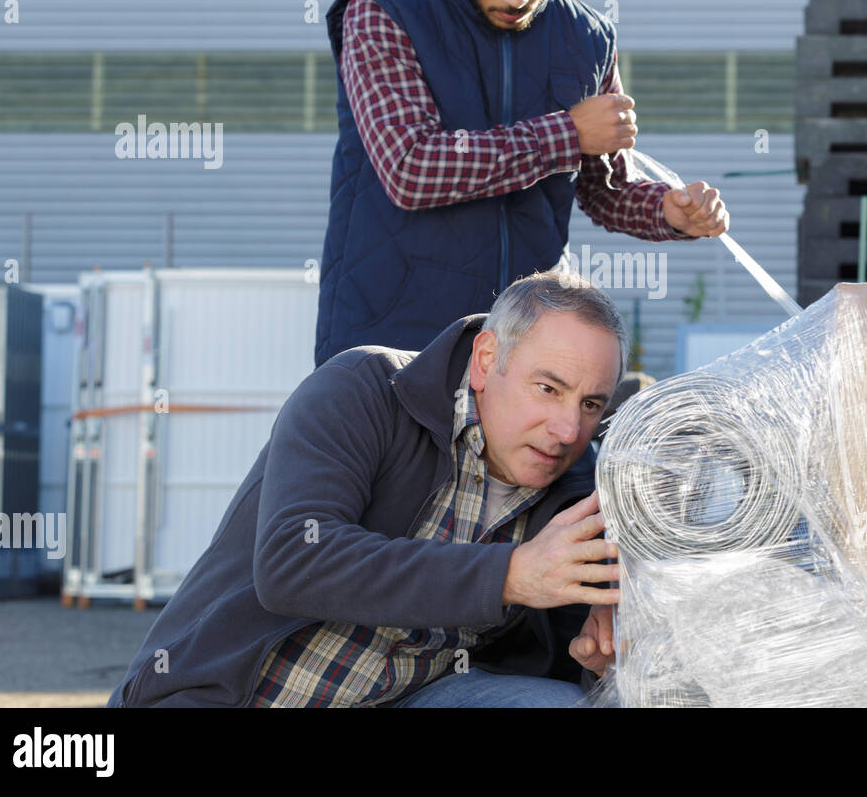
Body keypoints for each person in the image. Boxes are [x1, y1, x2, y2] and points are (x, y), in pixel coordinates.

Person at [108, 271, 624, 707]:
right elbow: (293, 562)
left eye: (590, 405)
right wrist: (509, 576)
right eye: (548, 388)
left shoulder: (579, 493)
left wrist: (594, 663)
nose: (567, 430)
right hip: (233, 694)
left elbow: (553, 664)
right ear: (487, 360)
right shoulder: (367, 389)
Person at [313, 0, 729, 367]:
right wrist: (568, 134)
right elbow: (411, 169)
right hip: (393, 340)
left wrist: (668, 212)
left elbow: (606, 191)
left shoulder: (588, 37)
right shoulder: (383, 12)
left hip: (526, 346)